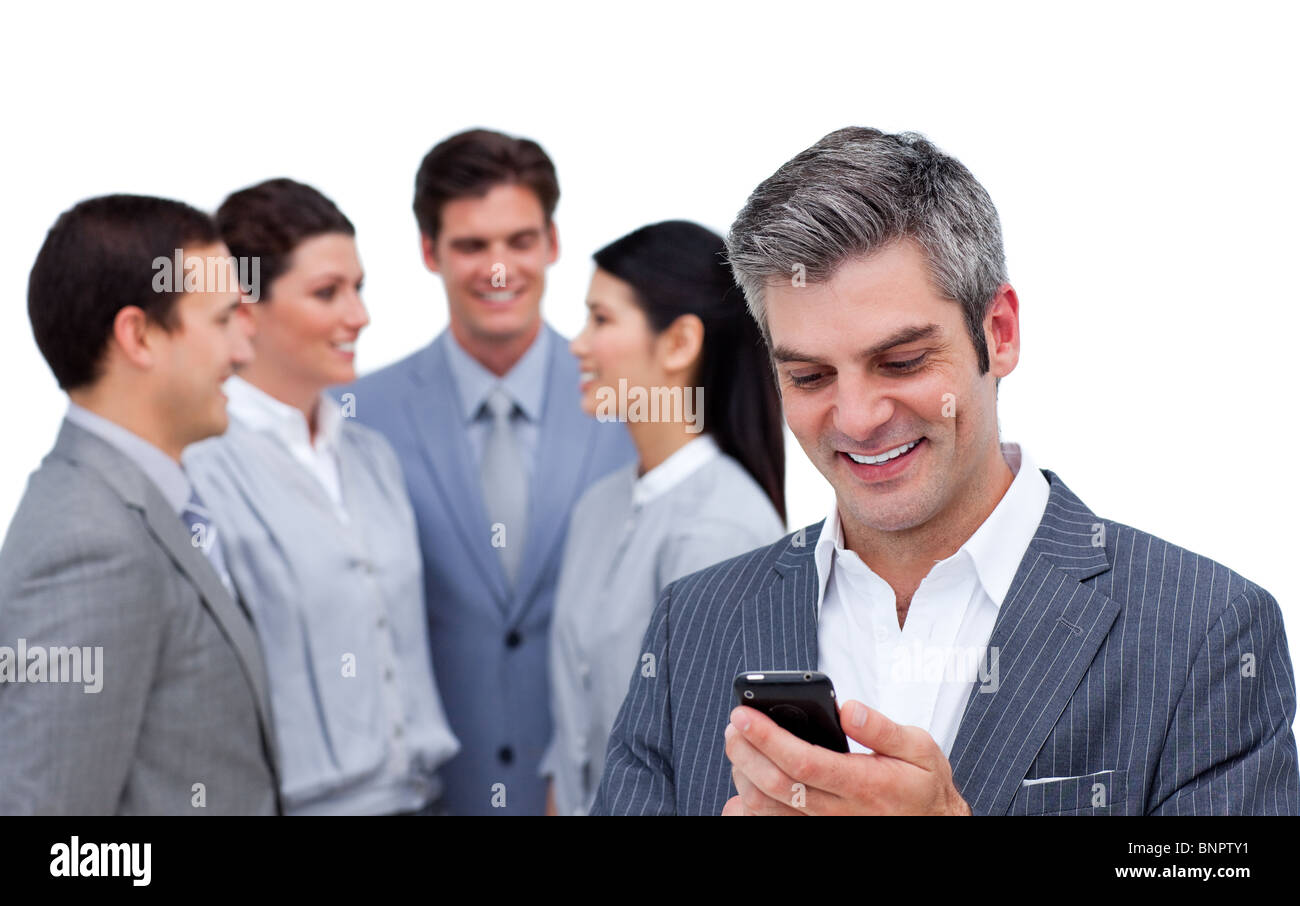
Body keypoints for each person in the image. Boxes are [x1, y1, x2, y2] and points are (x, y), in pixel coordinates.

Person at [593, 127, 1300, 816]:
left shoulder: (1204, 632)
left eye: (902, 362)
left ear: (1000, 333)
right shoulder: (692, 625)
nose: (858, 418)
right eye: (809, 376)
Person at [337, 128, 635, 815]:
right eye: (472, 245)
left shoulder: (631, 408)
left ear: (553, 242)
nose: (499, 270)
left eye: (520, 241)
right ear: (429, 252)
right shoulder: (353, 416)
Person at [183, 178, 460, 815]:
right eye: (327, 293)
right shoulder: (200, 469)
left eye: (359, 288)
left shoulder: (371, 457)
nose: (358, 316)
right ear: (245, 308)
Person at [0, 195, 279, 814]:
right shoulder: (89, 546)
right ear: (139, 336)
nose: (243, 350)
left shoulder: (146, 505)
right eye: (223, 319)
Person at [543, 221, 787, 816]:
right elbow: (575, 732)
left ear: (678, 343)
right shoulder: (598, 507)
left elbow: (715, 774)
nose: (577, 344)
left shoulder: (723, 530)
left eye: (601, 320)